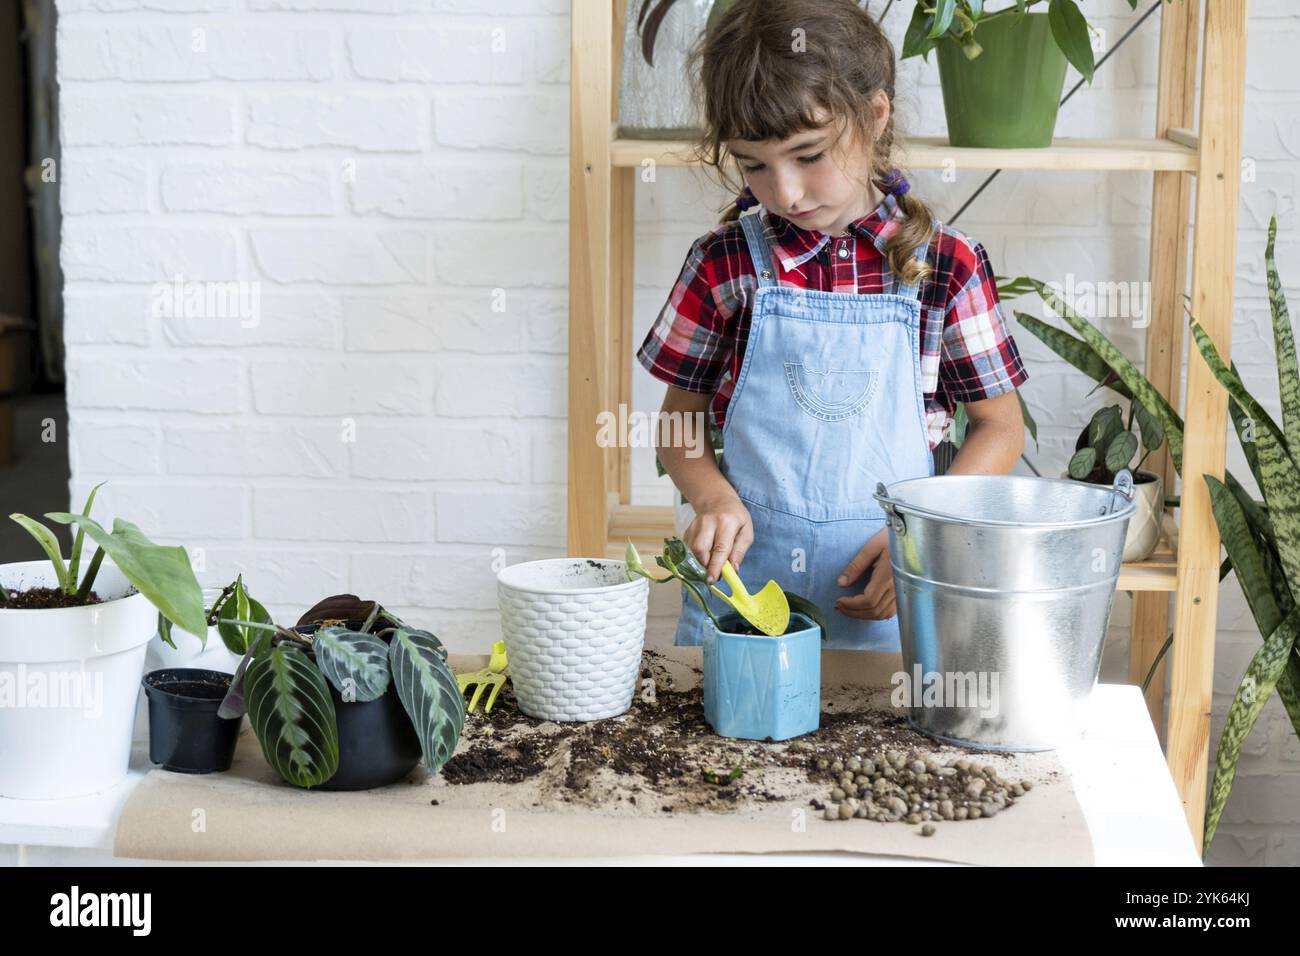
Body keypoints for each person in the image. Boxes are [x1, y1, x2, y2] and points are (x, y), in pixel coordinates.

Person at [635, 0, 1028, 651]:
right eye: (754, 164)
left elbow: (999, 427)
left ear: (875, 117)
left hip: (894, 596)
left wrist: (920, 532)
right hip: (746, 605)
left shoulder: (946, 268)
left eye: (808, 154)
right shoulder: (724, 263)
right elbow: (680, 423)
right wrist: (710, 498)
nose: (785, 192)